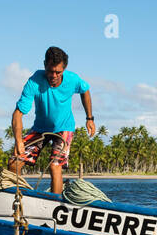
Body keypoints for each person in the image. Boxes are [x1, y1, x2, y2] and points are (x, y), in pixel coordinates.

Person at [9, 46, 96, 193]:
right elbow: (17, 114)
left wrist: (89, 118)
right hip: (40, 128)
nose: (53, 75)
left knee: (55, 165)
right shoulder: (34, 82)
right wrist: (18, 141)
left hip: (64, 128)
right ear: (44, 65)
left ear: (64, 69)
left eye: (58, 72)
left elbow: (85, 90)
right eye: (50, 71)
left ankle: (54, 205)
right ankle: (13, 199)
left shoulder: (73, 79)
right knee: (14, 162)